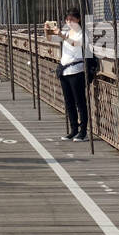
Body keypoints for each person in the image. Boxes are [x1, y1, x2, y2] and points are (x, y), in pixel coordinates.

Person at [44, 8, 87, 141]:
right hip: (64, 71)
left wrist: (63, 36)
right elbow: (50, 39)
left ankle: (83, 131)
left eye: (72, 19)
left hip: (76, 71)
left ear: (78, 19)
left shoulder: (82, 34)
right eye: (67, 20)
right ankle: (74, 129)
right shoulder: (67, 32)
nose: (69, 22)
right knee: (69, 103)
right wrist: (47, 30)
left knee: (80, 102)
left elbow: (77, 45)